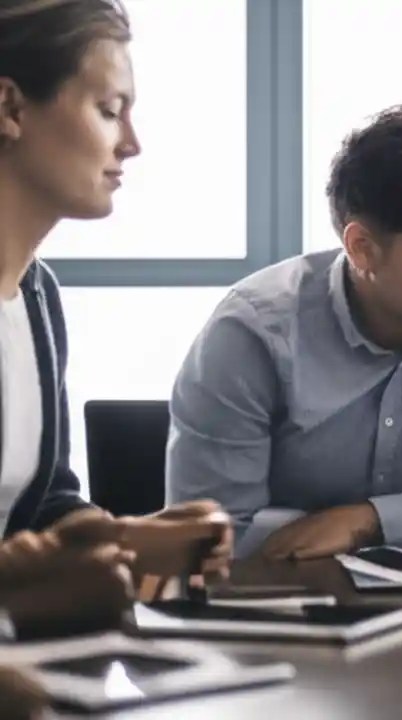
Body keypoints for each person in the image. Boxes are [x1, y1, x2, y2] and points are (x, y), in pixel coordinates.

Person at [167, 103, 402, 560]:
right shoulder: (251, 333)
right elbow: (213, 538)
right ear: (362, 249)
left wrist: (364, 521)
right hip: (284, 612)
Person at [0, 0, 230, 632]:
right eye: (108, 110)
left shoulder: (36, 297)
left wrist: (128, 537)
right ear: (10, 109)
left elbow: (41, 505)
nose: (131, 143)